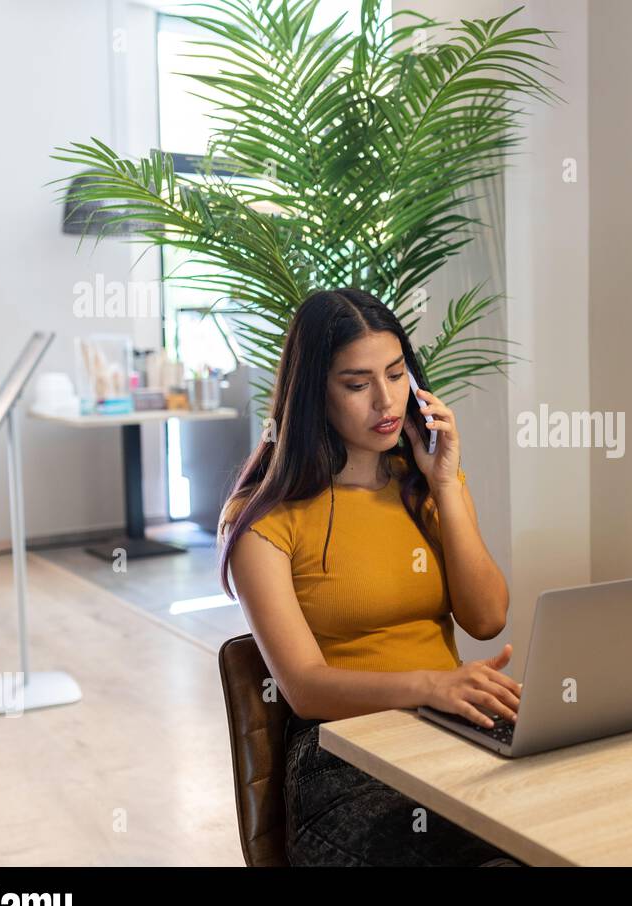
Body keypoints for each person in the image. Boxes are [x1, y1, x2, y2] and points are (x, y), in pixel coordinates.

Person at [218, 288, 522, 866]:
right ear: (313, 396)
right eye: (356, 384)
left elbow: (487, 618)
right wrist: (431, 685)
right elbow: (305, 687)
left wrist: (446, 485)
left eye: (396, 373)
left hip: (450, 732)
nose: (385, 400)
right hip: (342, 760)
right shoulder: (264, 519)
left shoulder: (423, 485)